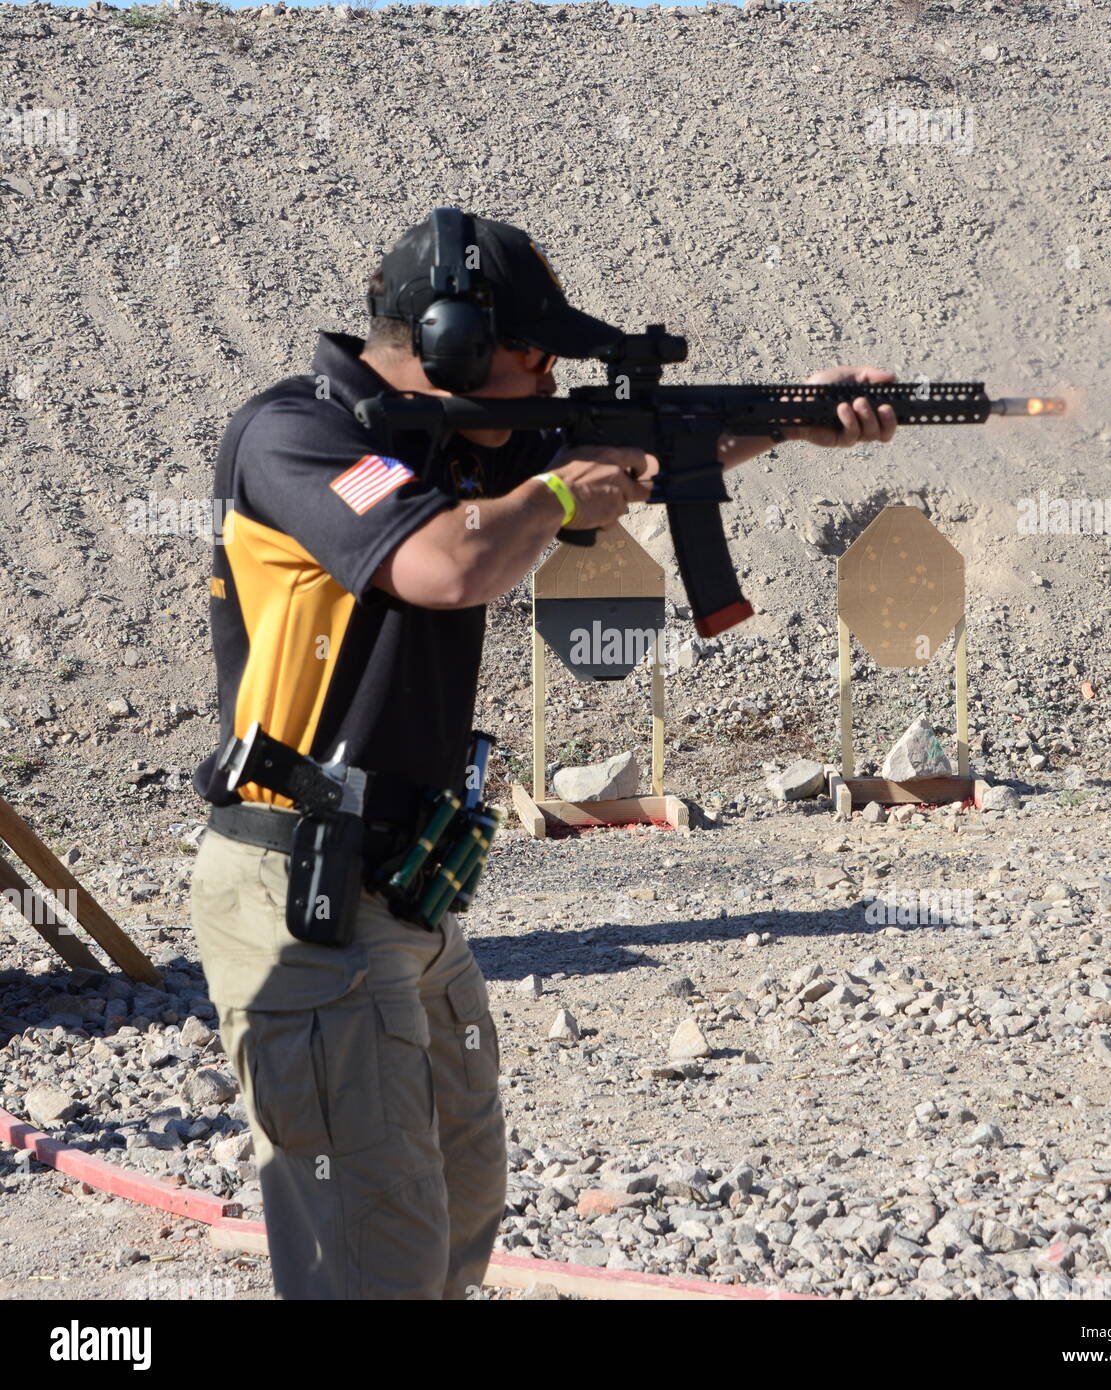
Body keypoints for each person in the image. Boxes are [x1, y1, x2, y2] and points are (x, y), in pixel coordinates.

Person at [190, 208, 897, 1300]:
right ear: (452, 348)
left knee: (457, 1207)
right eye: (536, 359)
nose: (550, 383)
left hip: (408, 893)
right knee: (371, 1253)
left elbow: (634, 451)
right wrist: (561, 490)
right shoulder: (302, 436)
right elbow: (441, 563)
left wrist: (789, 420)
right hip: (302, 890)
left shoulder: (459, 445)